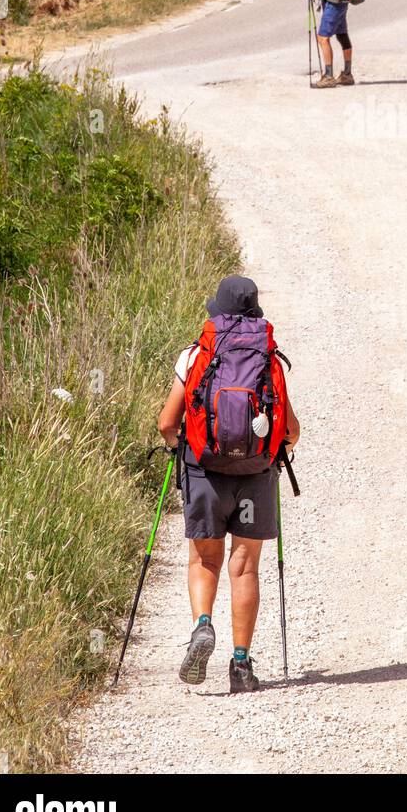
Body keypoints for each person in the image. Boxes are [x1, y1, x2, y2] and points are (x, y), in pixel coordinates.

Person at [158, 274, 301, 693]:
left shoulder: (194, 355)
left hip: (205, 471)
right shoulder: (270, 359)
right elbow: (290, 431)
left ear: (217, 313)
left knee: (205, 560)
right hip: (255, 475)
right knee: (245, 567)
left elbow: (167, 423)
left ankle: (203, 625)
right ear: (255, 313)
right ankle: (240, 664)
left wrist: (178, 450)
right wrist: (273, 450)